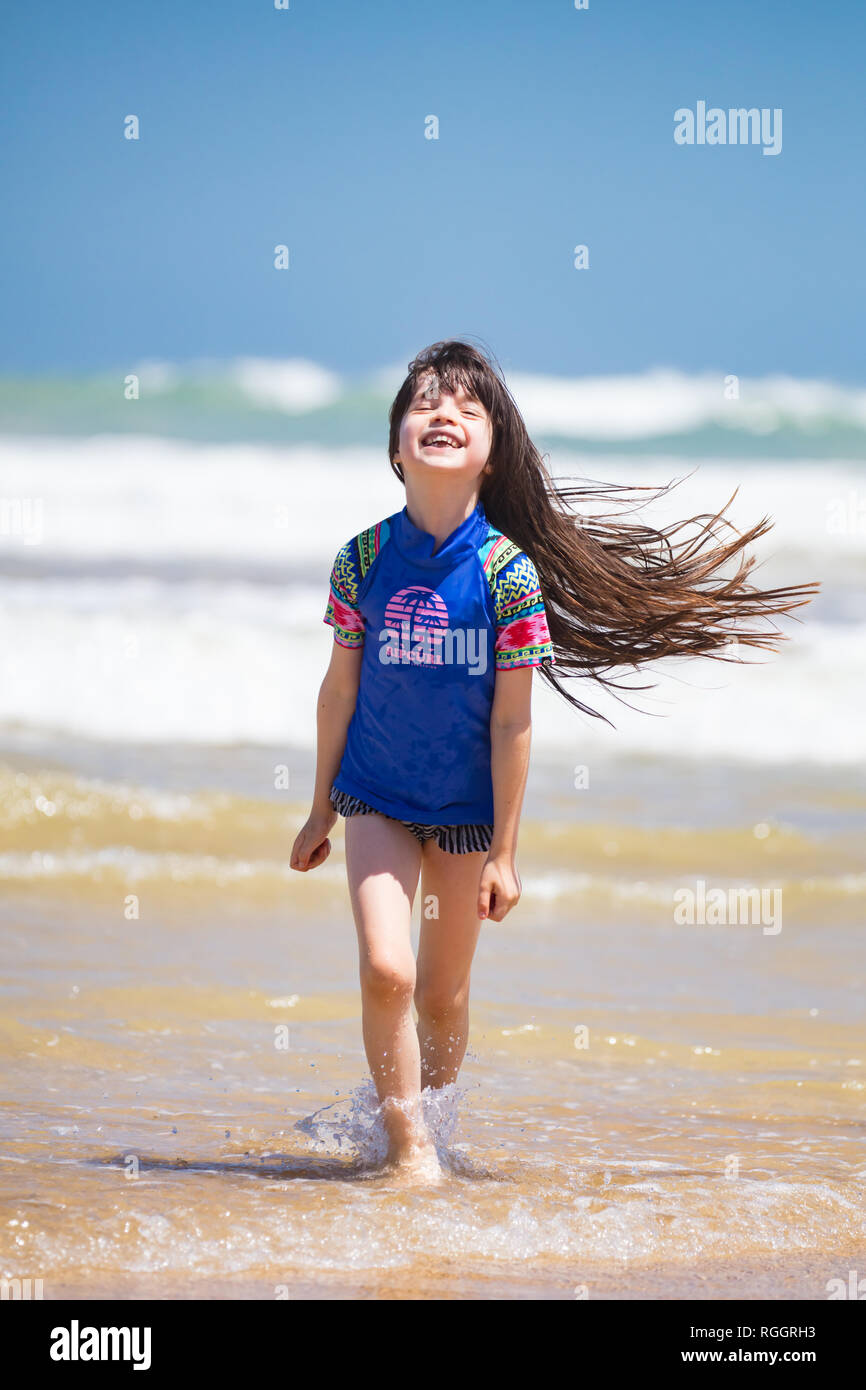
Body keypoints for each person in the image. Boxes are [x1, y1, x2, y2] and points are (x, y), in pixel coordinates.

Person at [290, 338, 818, 1182]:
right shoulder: (361, 560)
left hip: (466, 815)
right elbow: (338, 693)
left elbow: (512, 724)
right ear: (395, 446)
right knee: (388, 970)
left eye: (467, 408)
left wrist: (504, 850)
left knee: (442, 995)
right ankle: (408, 1148)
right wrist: (321, 806)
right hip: (378, 795)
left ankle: (437, 1122)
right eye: (424, 403)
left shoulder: (507, 574)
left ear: (493, 456)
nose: (444, 415)